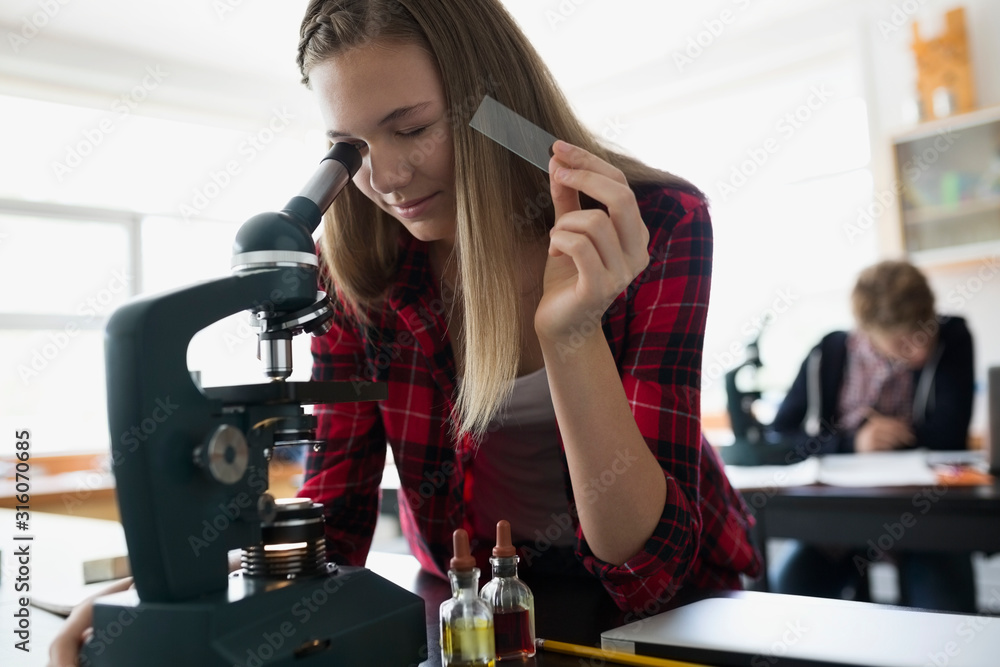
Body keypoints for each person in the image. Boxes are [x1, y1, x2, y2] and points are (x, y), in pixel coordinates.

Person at [50, 1, 760, 662]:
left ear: (495, 110)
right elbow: (338, 519)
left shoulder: (657, 222)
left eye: (413, 128)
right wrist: (181, 600)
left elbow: (648, 571)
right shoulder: (358, 269)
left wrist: (571, 331)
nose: (386, 178)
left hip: (683, 609)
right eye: (349, 146)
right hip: (471, 601)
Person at [769, 259, 977, 612]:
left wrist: (894, 439)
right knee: (788, 592)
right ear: (865, 331)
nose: (921, 350)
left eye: (924, 333)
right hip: (840, 520)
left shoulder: (954, 338)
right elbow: (780, 438)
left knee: (945, 612)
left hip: (927, 520)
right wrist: (855, 443)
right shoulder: (828, 353)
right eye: (902, 343)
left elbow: (951, 436)